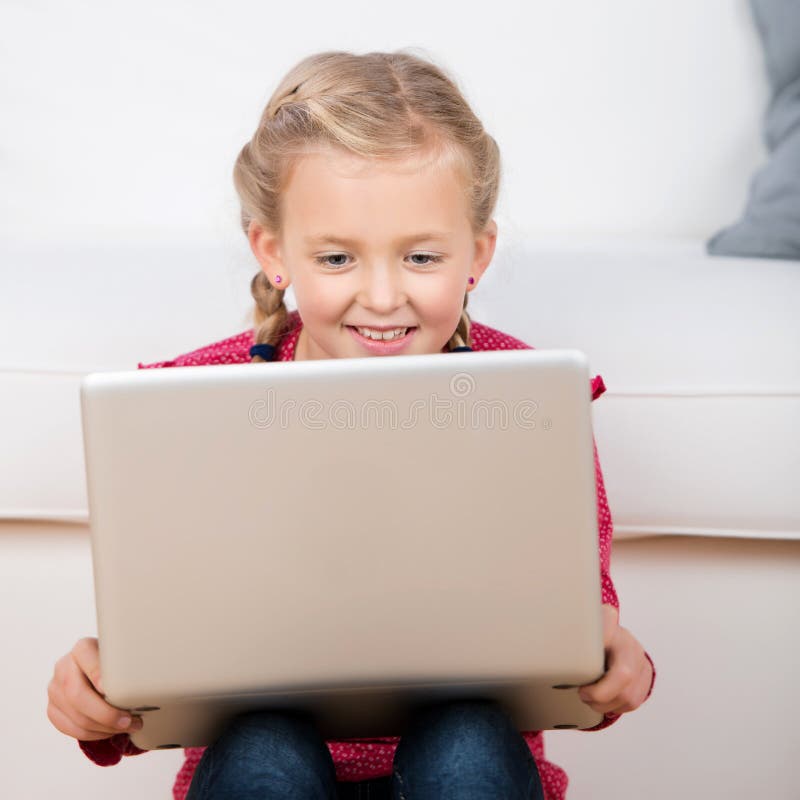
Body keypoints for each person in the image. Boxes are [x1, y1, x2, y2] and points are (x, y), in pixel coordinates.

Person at [46, 49, 656, 800]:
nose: (381, 295)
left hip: (464, 768)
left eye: (423, 256)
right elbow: (157, 640)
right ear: (274, 252)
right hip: (258, 764)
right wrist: (97, 700)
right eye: (336, 257)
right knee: (264, 744)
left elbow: (579, 626)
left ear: (478, 254)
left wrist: (618, 665)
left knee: (465, 739)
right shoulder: (184, 400)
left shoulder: (529, 397)